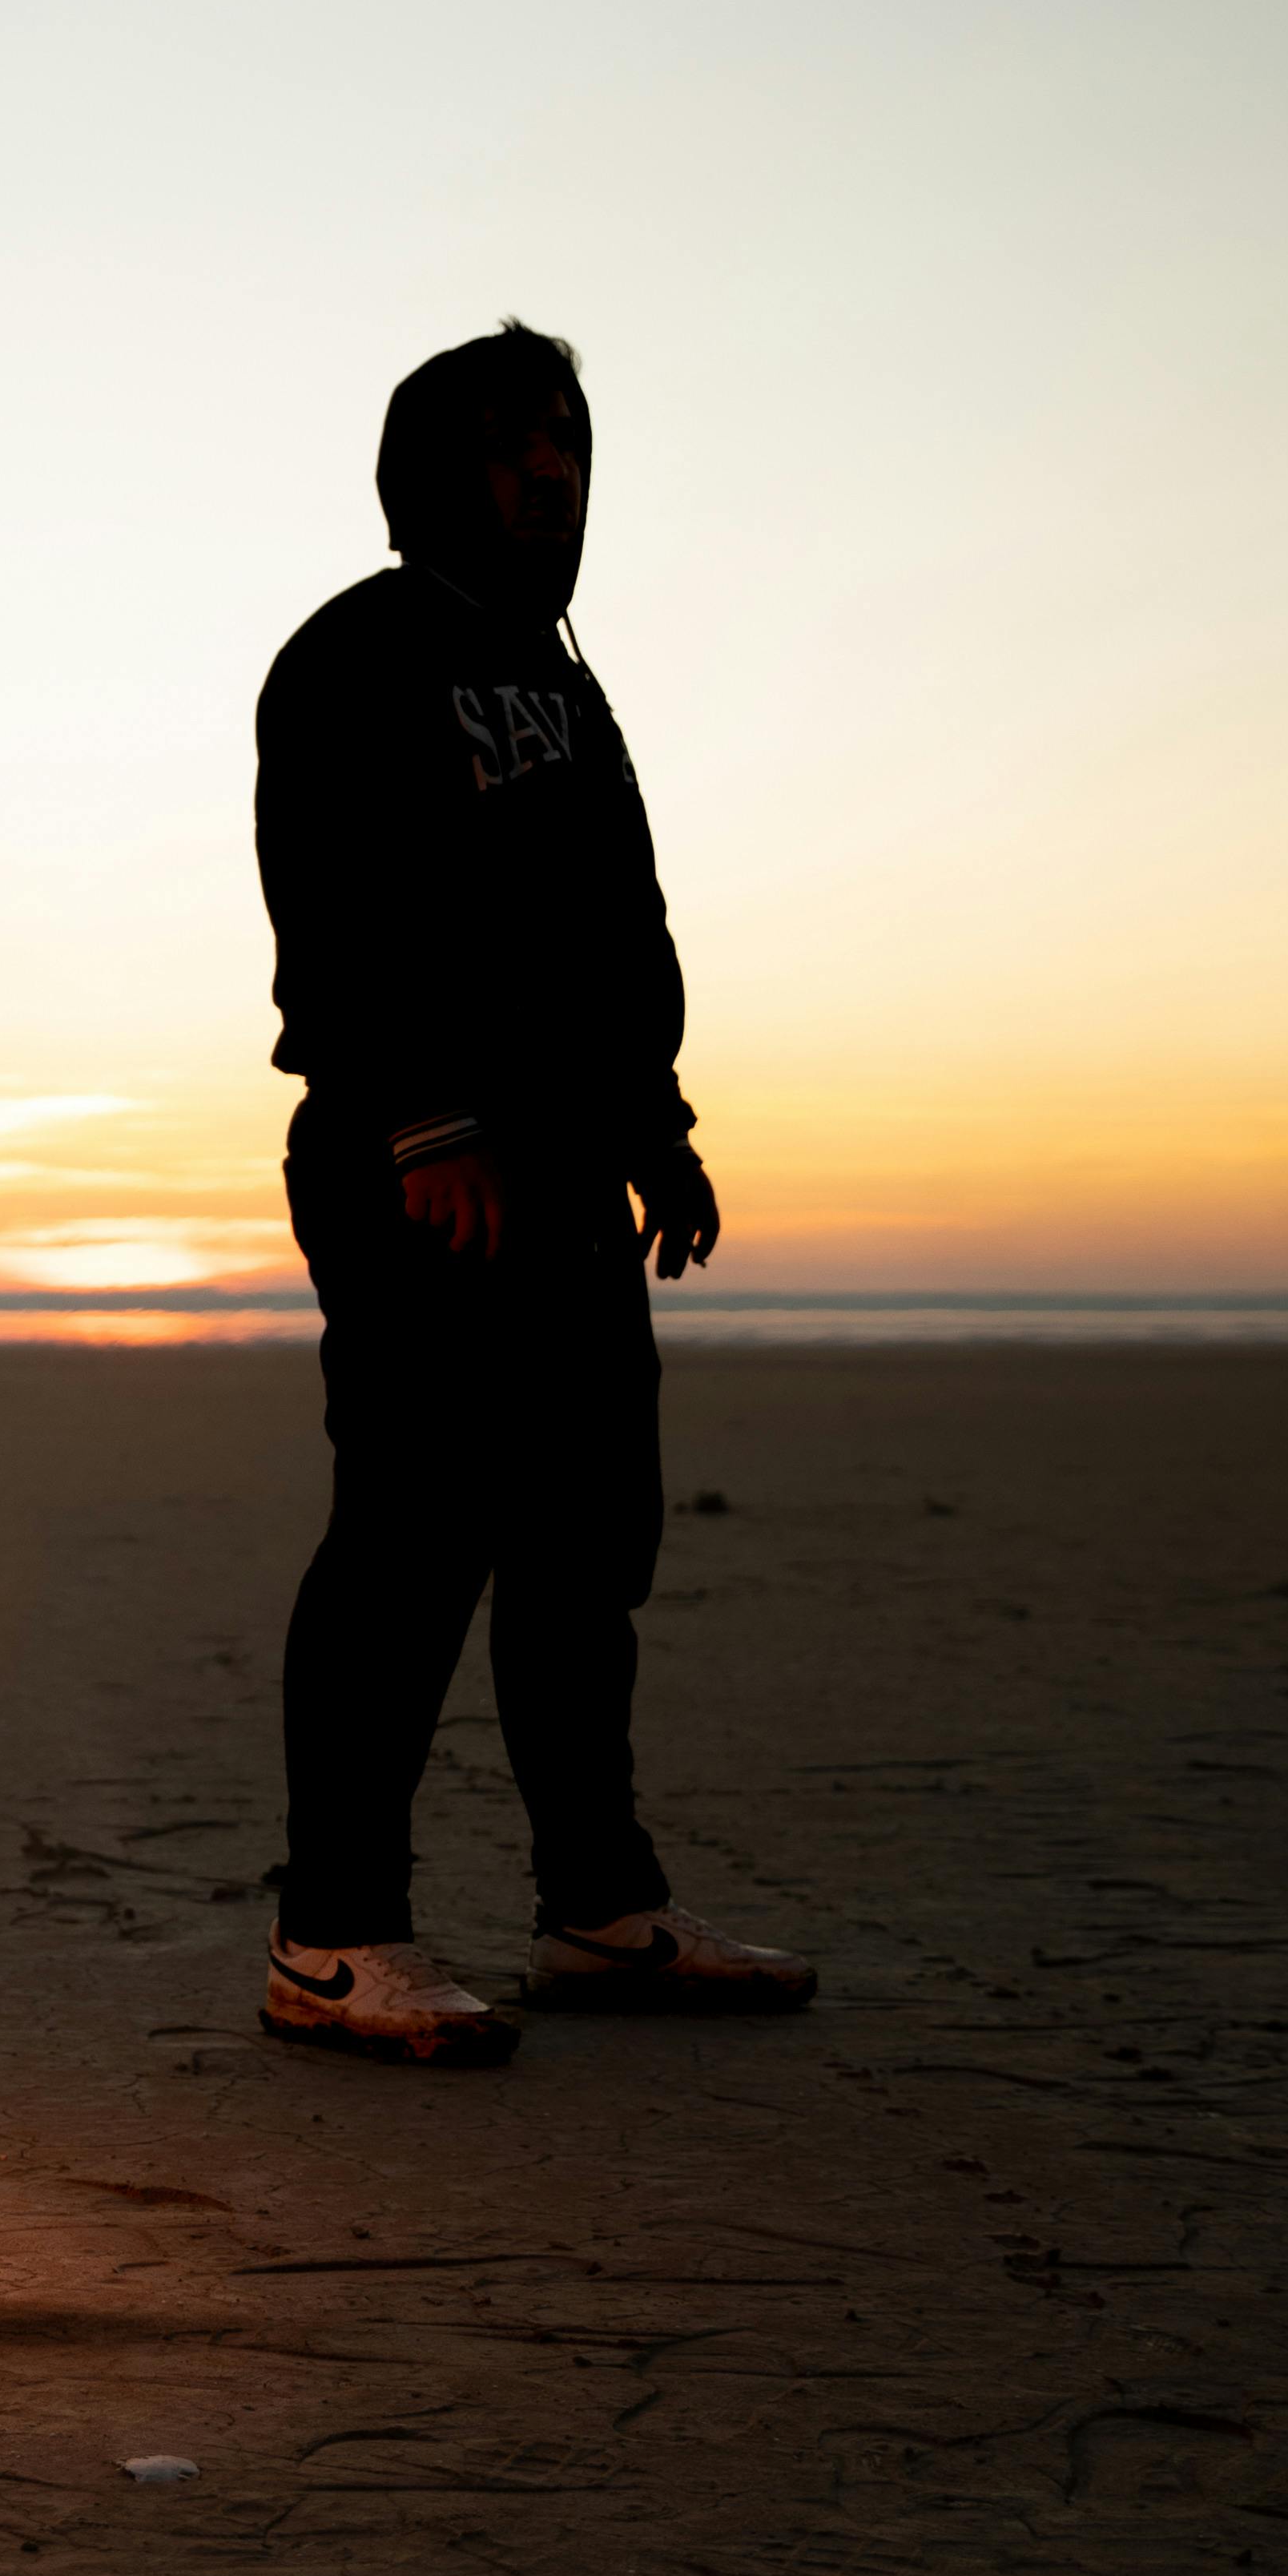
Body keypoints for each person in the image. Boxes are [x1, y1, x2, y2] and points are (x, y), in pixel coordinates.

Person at [252, 320, 815, 2063]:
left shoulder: (563, 680)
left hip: (570, 1174)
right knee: (408, 1543)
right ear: (426, 473)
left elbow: (611, 926)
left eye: (561, 440)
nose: (541, 471)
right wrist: (425, 1122)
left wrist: (654, 1125)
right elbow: (334, 909)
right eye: (501, 443)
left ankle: (597, 1907)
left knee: (585, 1552)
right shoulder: (354, 655)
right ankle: (332, 1935)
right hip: (415, 1165)